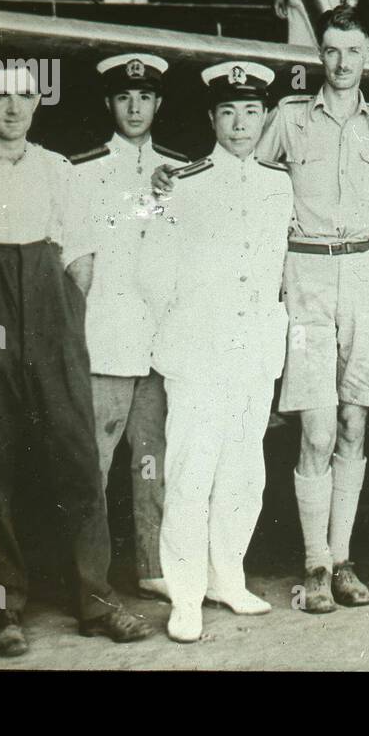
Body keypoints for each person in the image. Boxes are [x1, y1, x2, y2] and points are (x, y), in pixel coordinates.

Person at [154, 7, 369, 613]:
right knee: (317, 430)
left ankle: (343, 559)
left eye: (353, 50)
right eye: (330, 51)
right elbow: (238, 165)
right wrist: (169, 185)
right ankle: (314, 564)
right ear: (319, 55)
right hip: (309, 281)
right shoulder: (287, 119)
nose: (342, 63)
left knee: (354, 425)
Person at [0, 66, 153, 658]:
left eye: (24, 95)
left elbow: (83, 251)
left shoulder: (58, 171)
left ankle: (95, 601)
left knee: (76, 460)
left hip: (53, 328)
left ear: (39, 101)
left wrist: (65, 316)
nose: (12, 107)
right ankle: (3, 610)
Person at [140, 60, 294, 643]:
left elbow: (280, 267)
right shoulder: (181, 182)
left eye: (251, 112)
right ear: (212, 117)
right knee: (189, 472)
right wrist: (186, 325)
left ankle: (228, 577)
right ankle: (185, 596)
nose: (240, 124)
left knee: (243, 469)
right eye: (228, 112)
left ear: (263, 117)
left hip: (254, 349)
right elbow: (154, 269)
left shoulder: (279, 184)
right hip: (199, 352)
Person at [70, 53, 189, 601]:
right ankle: (87, 579)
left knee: (153, 458)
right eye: (124, 97)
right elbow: (76, 258)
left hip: (162, 339)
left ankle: (151, 567)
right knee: (94, 460)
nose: (135, 107)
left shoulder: (184, 170)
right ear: (109, 104)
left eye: (145, 97)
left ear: (159, 103)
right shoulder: (84, 170)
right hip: (107, 336)